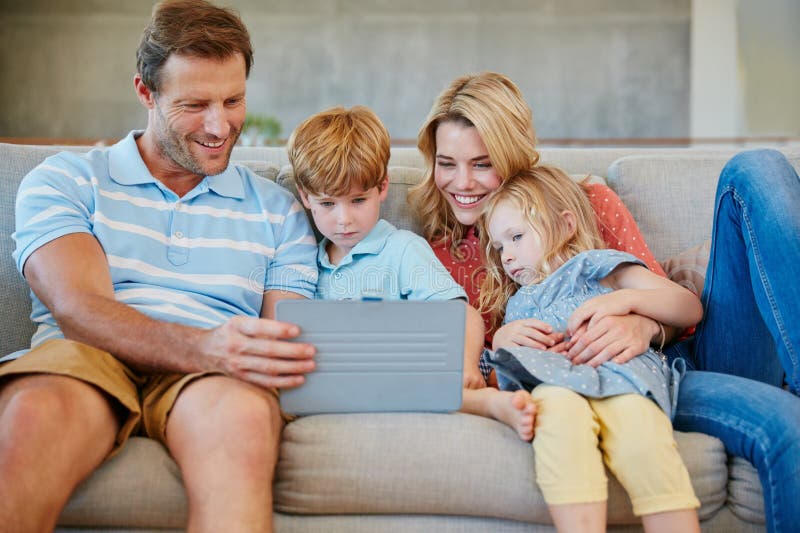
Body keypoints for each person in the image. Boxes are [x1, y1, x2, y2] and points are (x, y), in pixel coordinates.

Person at [409, 71, 800, 532]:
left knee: (756, 169)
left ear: (512, 157)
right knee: (786, 428)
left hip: (662, 366)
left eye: (481, 163)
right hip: (572, 380)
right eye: (446, 162)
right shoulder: (436, 255)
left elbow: (673, 307)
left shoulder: (584, 201)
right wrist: (503, 339)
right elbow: (481, 370)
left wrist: (646, 326)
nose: (462, 183)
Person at [0, 1, 318, 531]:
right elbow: (80, 311)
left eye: (233, 100)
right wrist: (204, 346)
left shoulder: (280, 208)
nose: (220, 126)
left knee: (242, 419)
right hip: (87, 357)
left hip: (215, 376)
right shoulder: (65, 180)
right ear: (145, 92)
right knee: (34, 414)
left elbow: (286, 333)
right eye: (195, 104)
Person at [478, 166, 701, 533]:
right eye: (499, 246)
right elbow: (496, 371)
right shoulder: (516, 305)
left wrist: (626, 301)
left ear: (565, 226)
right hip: (554, 386)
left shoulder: (594, 266)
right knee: (559, 422)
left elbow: (689, 307)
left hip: (621, 375)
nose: (506, 256)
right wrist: (503, 339)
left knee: (641, 434)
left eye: (517, 237)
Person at [286, 105, 485, 388]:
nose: (344, 220)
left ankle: (487, 402)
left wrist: (465, 365)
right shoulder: (304, 263)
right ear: (305, 197)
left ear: (382, 188)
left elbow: (461, 315)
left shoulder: (403, 249)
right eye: (328, 203)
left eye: (358, 201)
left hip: (401, 381)